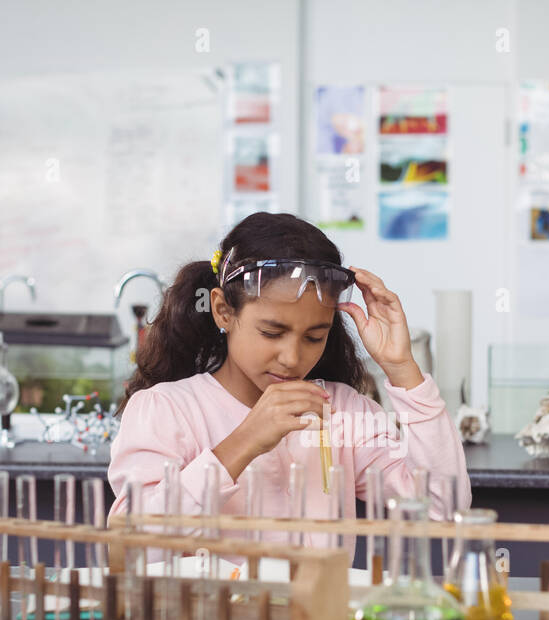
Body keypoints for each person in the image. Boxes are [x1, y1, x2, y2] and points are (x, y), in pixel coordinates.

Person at [107, 211, 470, 565]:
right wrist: (244, 442)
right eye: (272, 333)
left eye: (315, 336)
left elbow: (442, 510)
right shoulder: (167, 410)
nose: (292, 357)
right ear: (222, 311)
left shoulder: (341, 412)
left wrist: (402, 368)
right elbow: (130, 551)